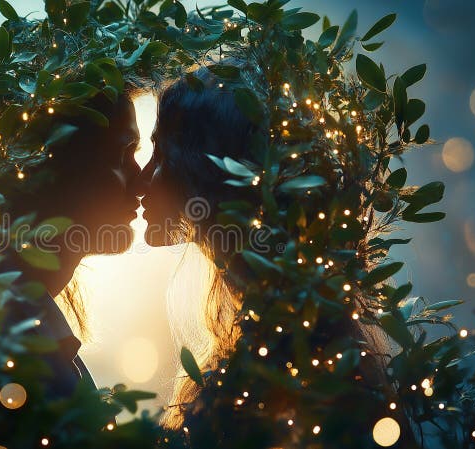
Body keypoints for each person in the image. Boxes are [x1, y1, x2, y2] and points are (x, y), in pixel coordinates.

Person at [139, 67, 398, 442]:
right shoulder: (297, 331)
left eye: (162, 155)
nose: (144, 178)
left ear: (207, 174)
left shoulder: (286, 362)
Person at [0, 92, 142, 399]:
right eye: (122, 155)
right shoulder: (6, 338)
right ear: (57, 166)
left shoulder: (17, 315)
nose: (140, 181)